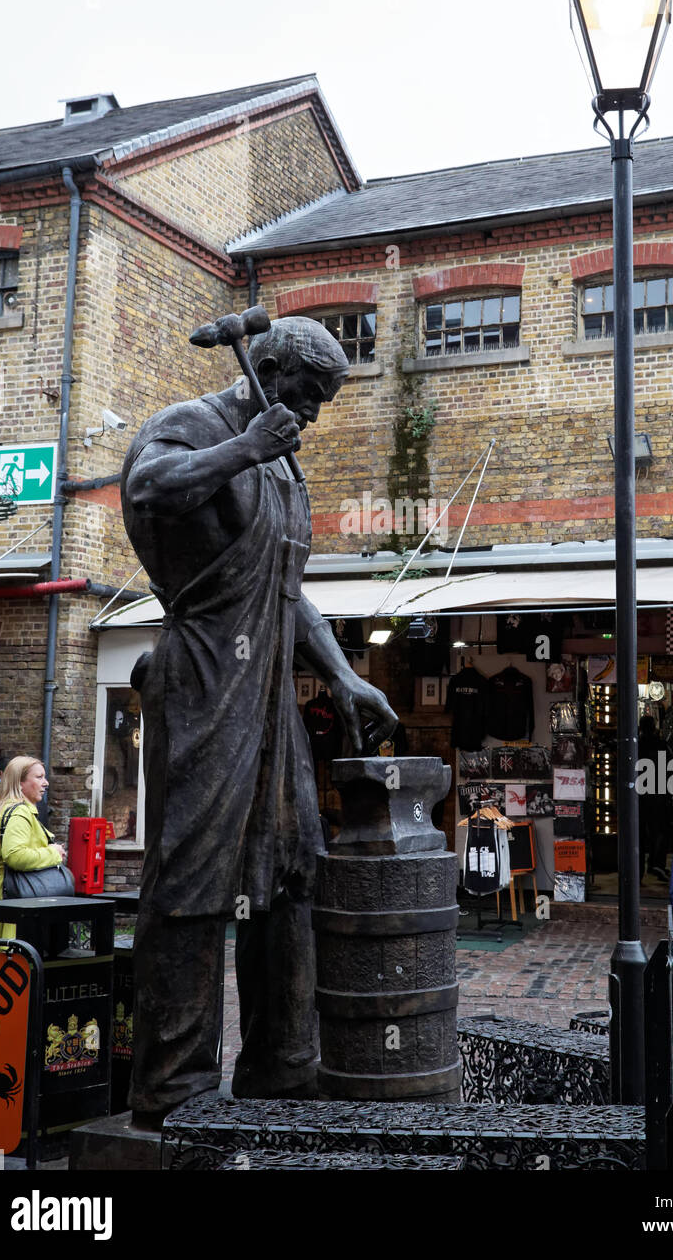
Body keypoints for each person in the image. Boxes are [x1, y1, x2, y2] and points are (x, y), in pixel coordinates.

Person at [121, 312, 398, 1123]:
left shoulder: (286, 468)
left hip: (271, 686)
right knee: (194, 878)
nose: (311, 411)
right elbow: (146, 487)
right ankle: (173, 1085)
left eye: (323, 399)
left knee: (293, 870)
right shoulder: (195, 425)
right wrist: (246, 446)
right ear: (265, 368)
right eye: (305, 392)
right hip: (204, 676)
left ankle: (284, 1066)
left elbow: (288, 589)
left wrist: (343, 676)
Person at [0, 756, 67, 938]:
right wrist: (53, 852)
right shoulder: (18, 813)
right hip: (9, 899)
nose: (46, 783)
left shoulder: (6, 808)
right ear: (19, 784)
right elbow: (15, 855)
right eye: (39, 777)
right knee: (7, 960)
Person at [638, 714, 671, 881]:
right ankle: (656, 864)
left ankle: (638, 871)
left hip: (639, 795)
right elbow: (671, 769)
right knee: (658, 831)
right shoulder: (661, 745)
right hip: (658, 792)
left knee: (639, 832)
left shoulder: (636, 745)